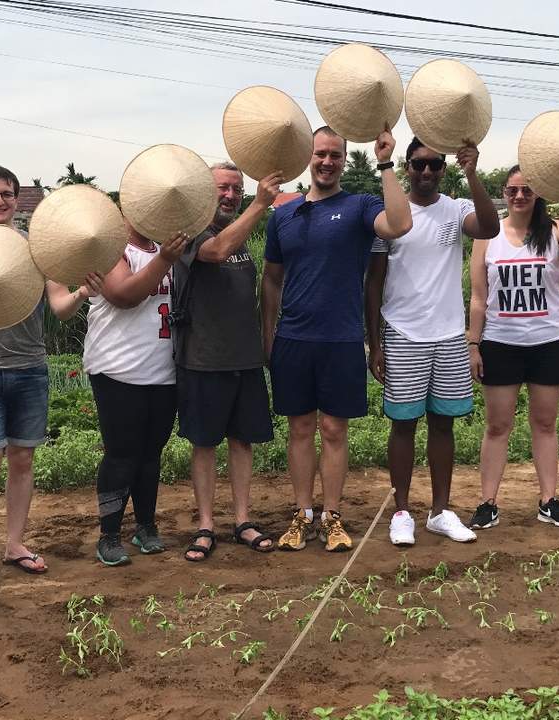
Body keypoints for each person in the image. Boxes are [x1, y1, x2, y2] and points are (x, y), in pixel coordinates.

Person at [0, 165, 101, 595]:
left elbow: (60, 308)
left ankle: (14, 544)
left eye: (7, 194)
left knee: (23, 460)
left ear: (16, 200)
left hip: (30, 368)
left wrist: (83, 292)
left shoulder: (38, 251)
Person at [261, 125, 413, 552]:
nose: (327, 162)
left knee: (333, 429)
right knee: (299, 428)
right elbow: (271, 280)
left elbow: (400, 223)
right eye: (320, 154)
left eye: (335, 155)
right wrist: (267, 336)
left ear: (345, 160)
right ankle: (302, 513)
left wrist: (385, 162)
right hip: (294, 338)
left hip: (342, 339)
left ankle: (331, 515)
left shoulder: (361, 206)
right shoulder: (284, 215)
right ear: (307, 157)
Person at [365, 138, 498, 547]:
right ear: (406, 166)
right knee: (403, 424)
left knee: (443, 423)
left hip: (449, 333)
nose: (426, 171)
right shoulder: (390, 215)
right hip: (402, 332)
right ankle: (402, 512)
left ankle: (440, 511)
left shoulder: (456, 209)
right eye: (419, 164)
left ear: (444, 169)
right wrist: (375, 342)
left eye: (435, 165)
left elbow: (490, 227)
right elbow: (374, 282)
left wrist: (472, 173)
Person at [466, 165, 559, 531]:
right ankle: (487, 502)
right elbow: (479, 297)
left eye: (526, 190)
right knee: (497, 426)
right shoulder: (488, 236)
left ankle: (548, 500)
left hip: (548, 342)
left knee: (545, 423)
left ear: (537, 193)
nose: (520, 196)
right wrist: (474, 344)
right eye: (512, 190)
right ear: (504, 194)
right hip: (500, 343)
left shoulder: (556, 230)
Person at [175, 163, 283, 561]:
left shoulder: (240, 234)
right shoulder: (190, 232)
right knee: (204, 444)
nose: (230, 196)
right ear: (205, 191)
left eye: (237, 189)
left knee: (242, 441)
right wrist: (259, 204)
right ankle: (205, 524)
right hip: (203, 358)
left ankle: (242, 520)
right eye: (223, 188)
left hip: (244, 357)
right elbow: (216, 252)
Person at [85, 225, 186, 566]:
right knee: (121, 454)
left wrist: (167, 255)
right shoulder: (110, 248)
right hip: (118, 368)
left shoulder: (164, 247)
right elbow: (124, 295)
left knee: (151, 453)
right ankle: (109, 534)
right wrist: (166, 259)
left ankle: (145, 525)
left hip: (162, 368)